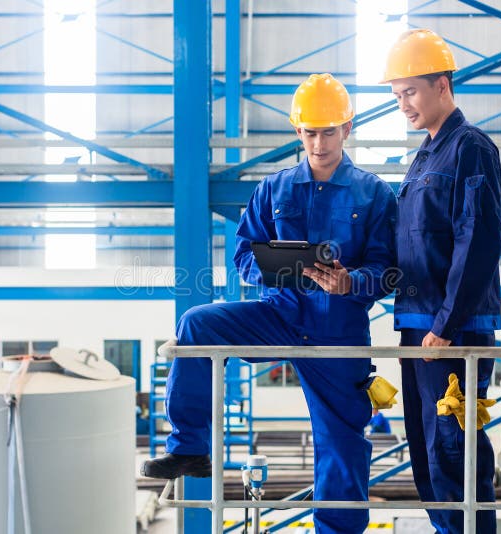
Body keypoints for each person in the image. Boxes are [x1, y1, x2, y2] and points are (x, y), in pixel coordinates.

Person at [140, 73, 398, 534]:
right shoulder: (273, 190)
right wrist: (277, 269)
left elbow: (388, 269)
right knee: (195, 325)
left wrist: (350, 283)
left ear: (347, 129)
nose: (319, 143)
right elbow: (243, 254)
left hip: (337, 333)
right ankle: (190, 448)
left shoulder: (374, 194)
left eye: (329, 132)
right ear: (298, 132)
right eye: (310, 132)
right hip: (278, 315)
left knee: (341, 445)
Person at [382, 29, 501, 534]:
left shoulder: (469, 148)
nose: (404, 105)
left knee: (454, 450)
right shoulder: (423, 157)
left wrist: (448, 324)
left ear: (442, 85)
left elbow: (479, 237)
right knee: (426, 450)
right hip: (418, 326)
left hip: (452, 330)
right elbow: (409, 243)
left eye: (410, 91)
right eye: (397, 96)